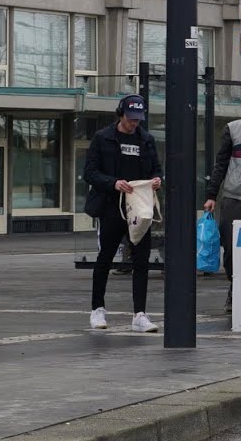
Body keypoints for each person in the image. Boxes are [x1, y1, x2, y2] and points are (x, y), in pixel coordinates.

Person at [82, 94, 163, 333]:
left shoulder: (146, 140)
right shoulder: (103, 138)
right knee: (105, 258)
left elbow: (157, 169)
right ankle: (97, 309)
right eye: (130, 119)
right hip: (111, 206)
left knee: (141, 260)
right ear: (120, 114)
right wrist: (113, 183)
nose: (134, 124)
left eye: (137, 120)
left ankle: (140, 314)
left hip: (139, 207)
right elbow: (89, 172)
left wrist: (158, 180)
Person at [203, 111, 241, 314]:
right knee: (230, 247)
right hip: (234, 196)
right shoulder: (234, 128)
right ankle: (234, 287)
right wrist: (212, 194)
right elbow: (221, 163)